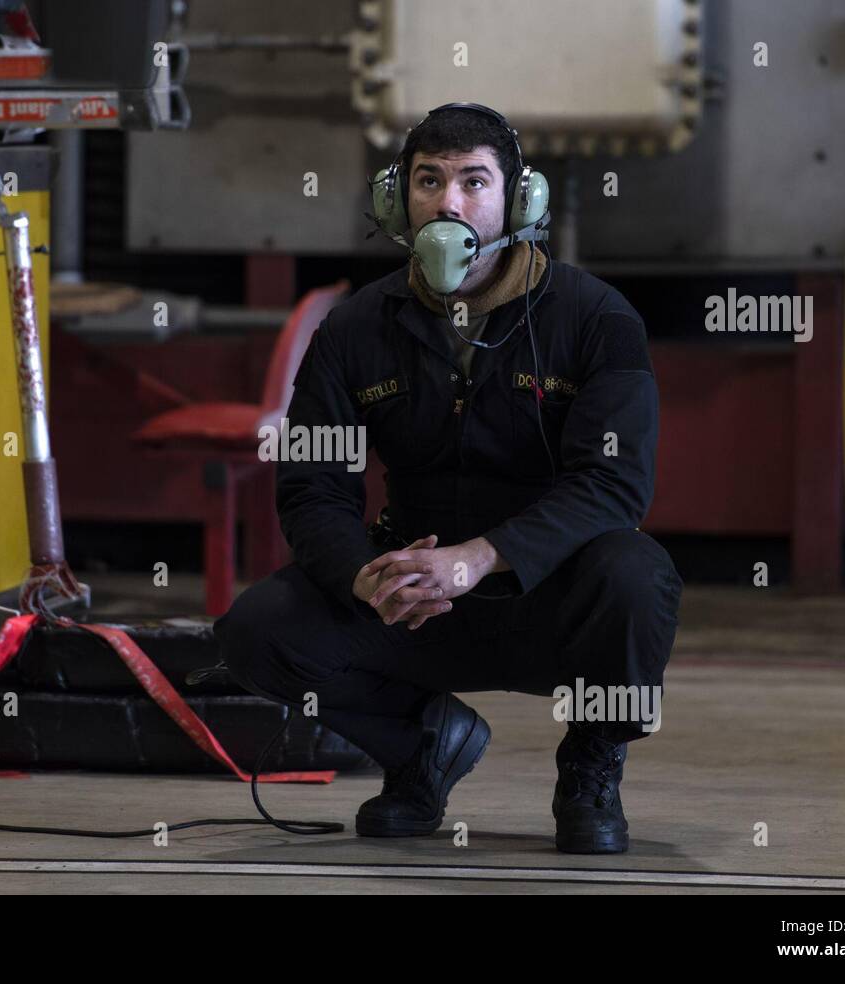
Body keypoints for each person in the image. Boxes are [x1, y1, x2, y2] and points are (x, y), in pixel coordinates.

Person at [214, 103, 682, 854]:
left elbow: (614, 485)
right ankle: (421, 748)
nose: (450, 202)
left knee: (637, 575)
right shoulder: (353, 331)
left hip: (550, 600)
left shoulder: (597, 319)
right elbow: (313, 486)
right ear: (398, 200)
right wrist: (366, 577)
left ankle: (593, 761)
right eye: (430, 181)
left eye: (474, 180)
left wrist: (477, 558)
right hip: (414, 603)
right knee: (257, 632)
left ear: (518, 199)